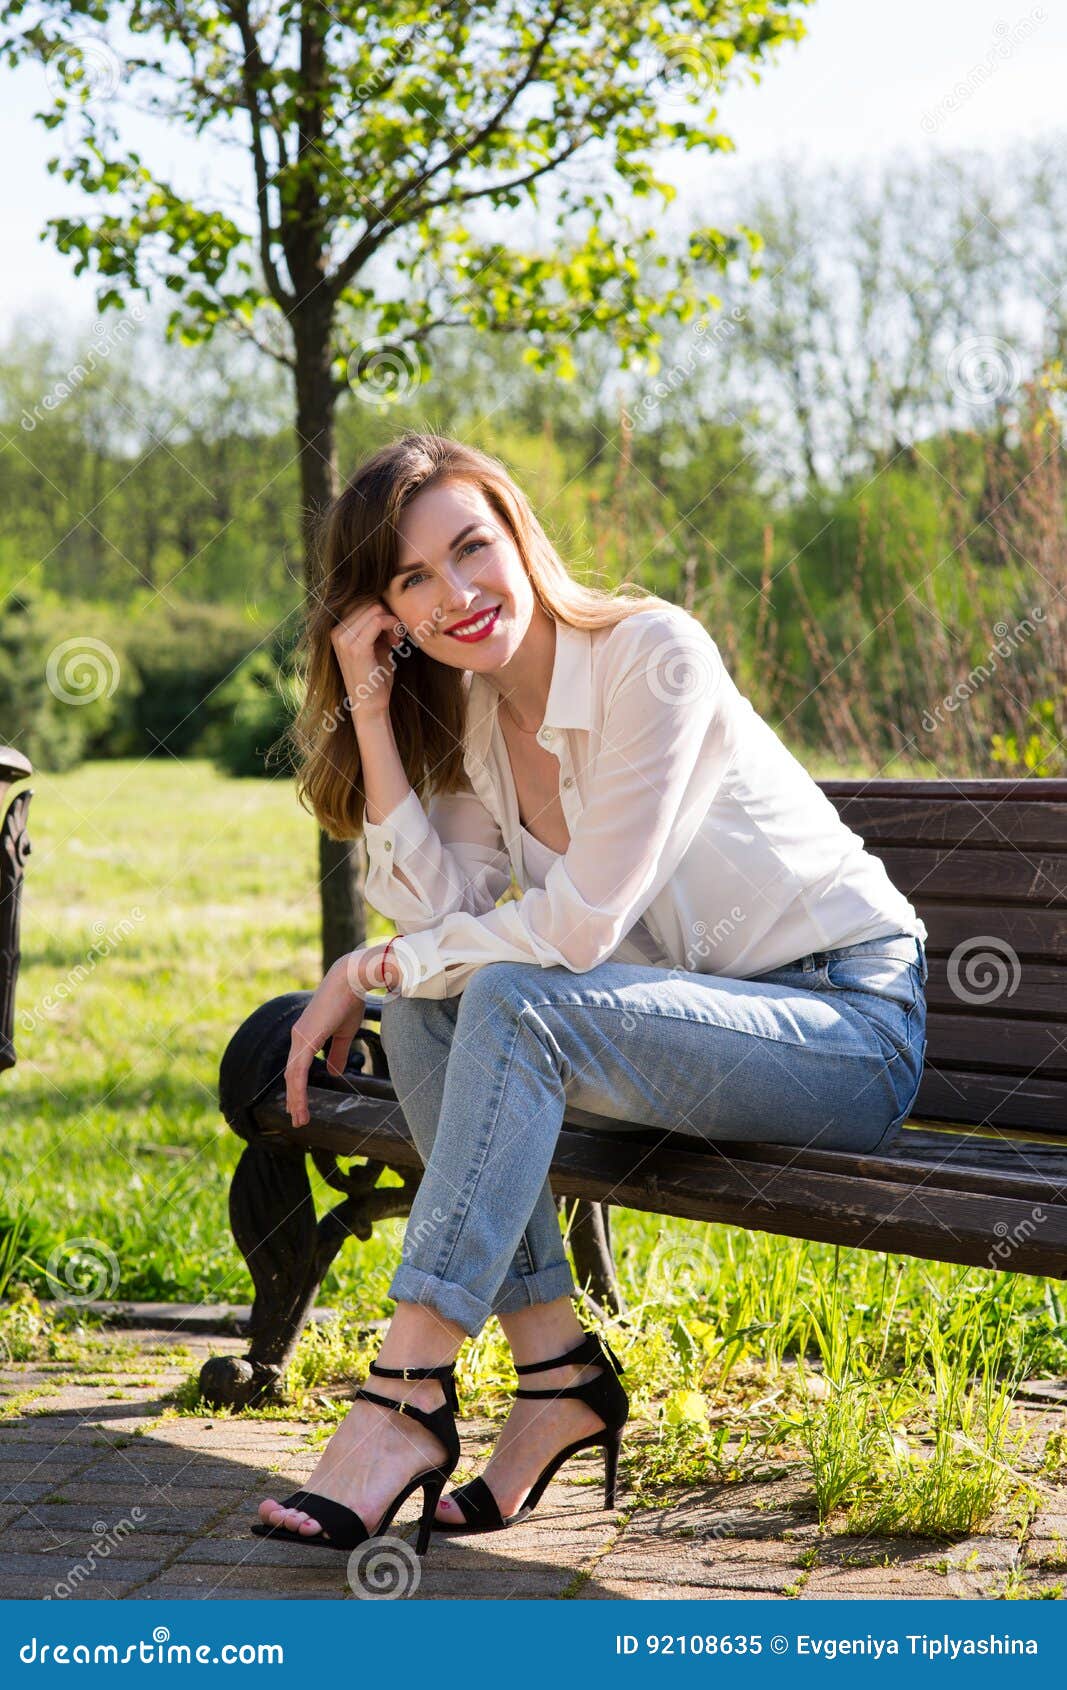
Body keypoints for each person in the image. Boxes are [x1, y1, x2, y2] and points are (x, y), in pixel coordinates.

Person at [252, 431, 928, 1555]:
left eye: (472, 547)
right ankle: (555, 1367)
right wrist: (371, 709)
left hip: (841, 1029)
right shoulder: (468, 717)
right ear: (386, 615)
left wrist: (355, 967)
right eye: (412, 578)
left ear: (520, 534)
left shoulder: (652, 654)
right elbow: (434, 929)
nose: (456, 593)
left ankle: (404, 1393)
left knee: (510, 994)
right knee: (434, 1005)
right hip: (678, 1029)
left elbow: (576, 927)